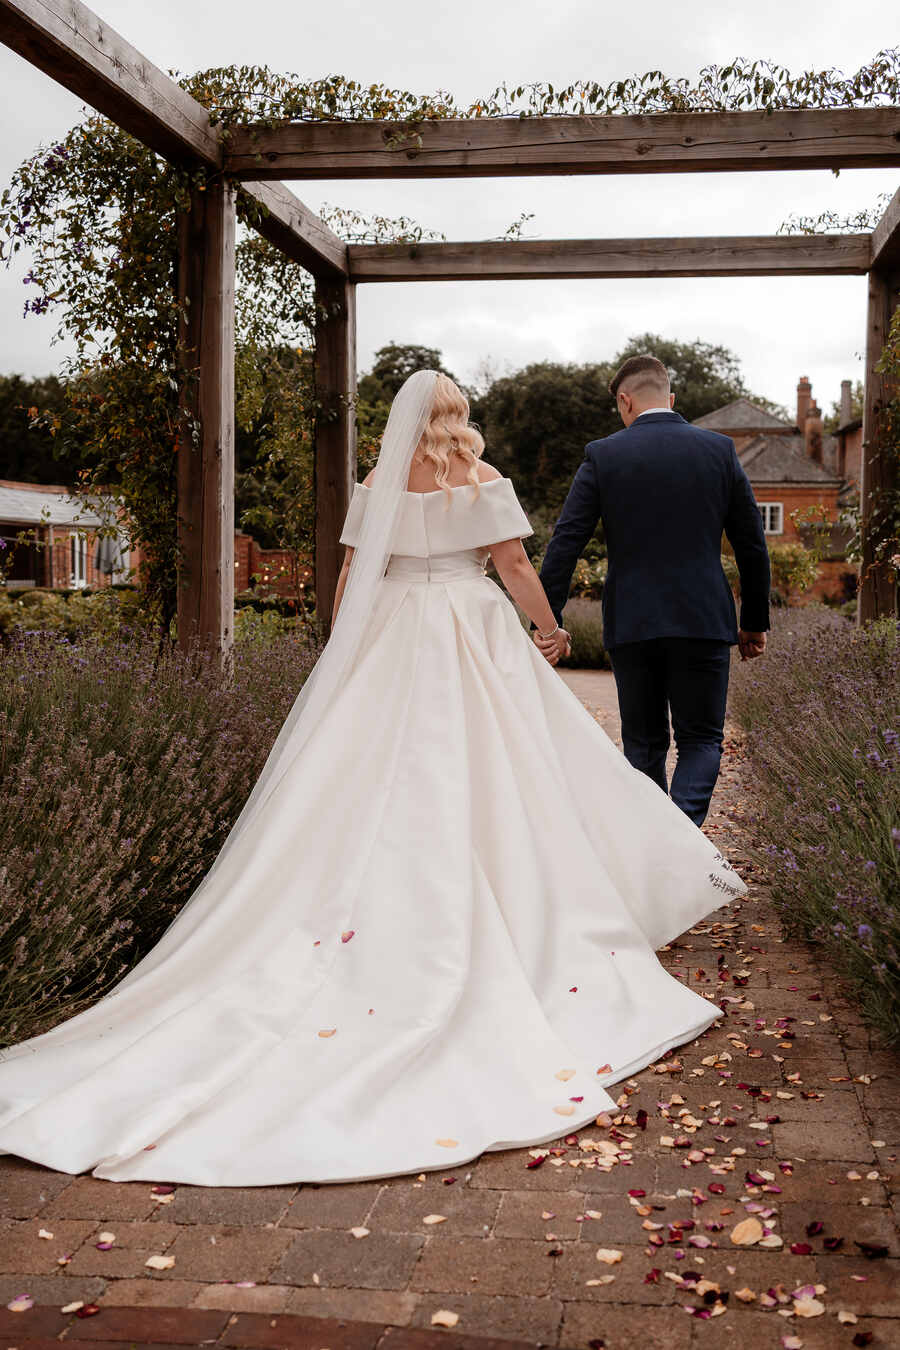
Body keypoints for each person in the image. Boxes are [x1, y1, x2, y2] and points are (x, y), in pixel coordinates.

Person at [0, 370, 746, 1188]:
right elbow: (513, 565)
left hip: (394, 631)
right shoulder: (483, 479)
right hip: (471, 625)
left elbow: (353, 581)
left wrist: (344, 653)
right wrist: (548, 630)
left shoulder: (375, 484)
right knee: (508, 770)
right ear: (458, 414)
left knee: (375, 770)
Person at [537, 354, 770, 827]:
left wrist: (548, 621)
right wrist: (753, 622)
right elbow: (751, 544)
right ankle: (681, 845)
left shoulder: (604, 454)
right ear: (671, 397)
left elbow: (566, 542)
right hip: (703, 619)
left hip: (633, 621)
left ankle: (656, 851)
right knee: (702, 740)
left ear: (625, 401)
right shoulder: (719, 451)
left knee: (643, 744)